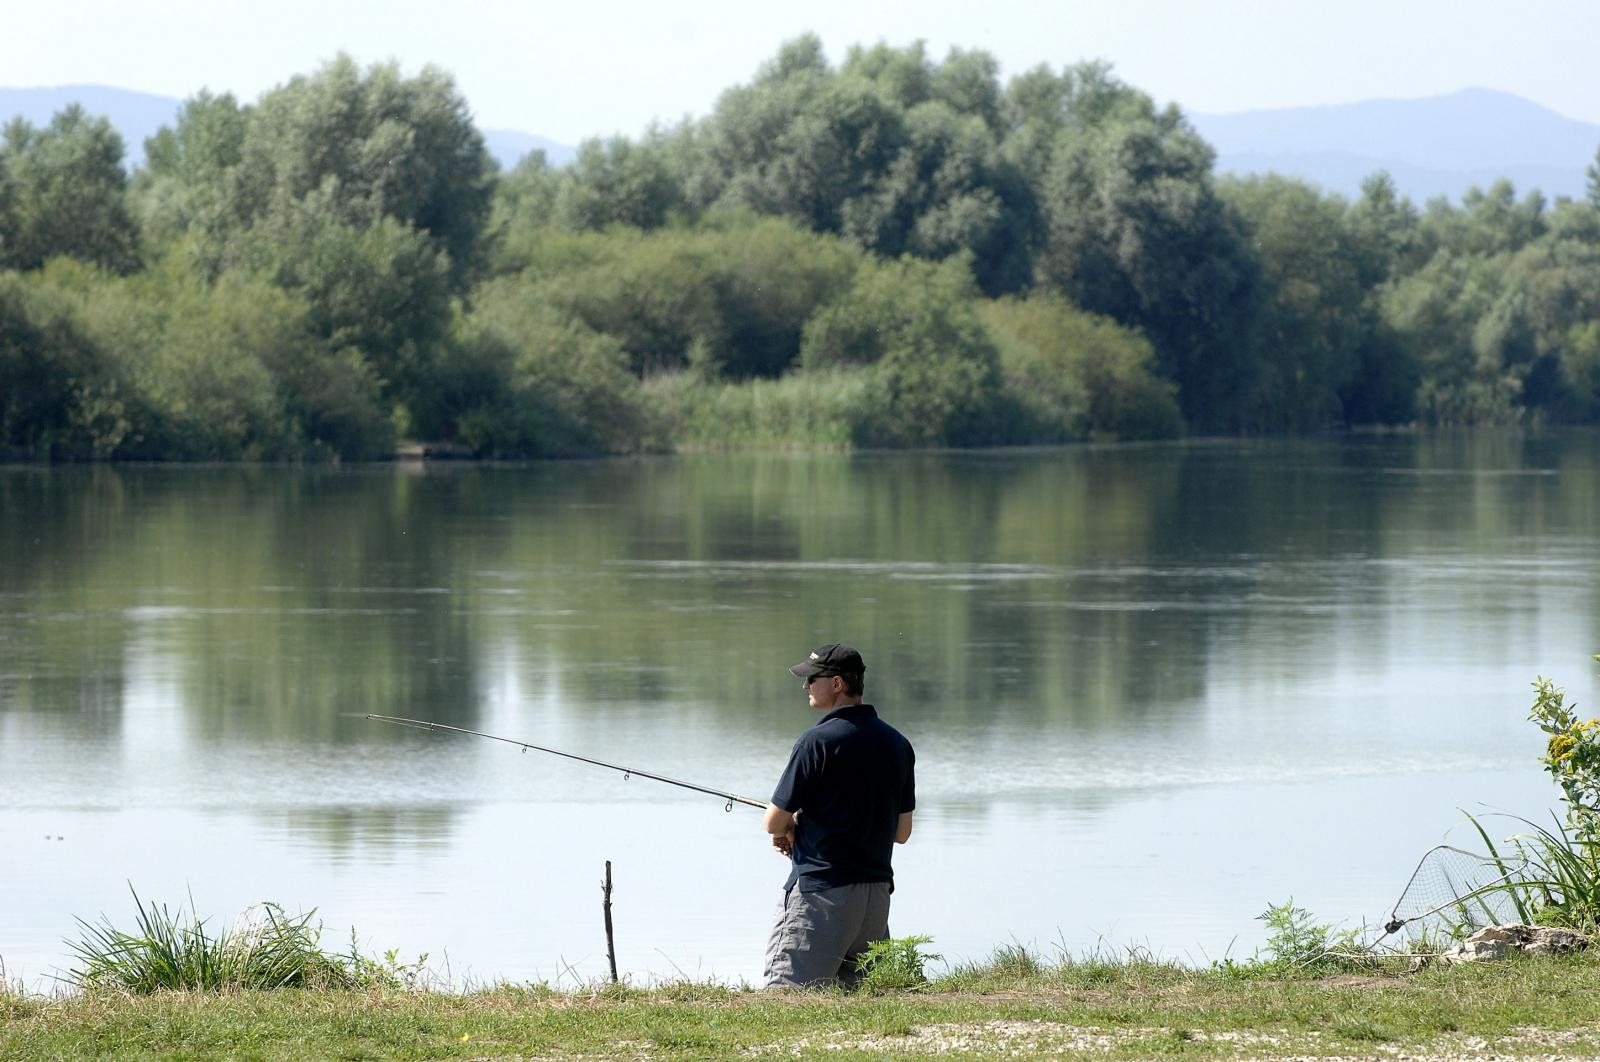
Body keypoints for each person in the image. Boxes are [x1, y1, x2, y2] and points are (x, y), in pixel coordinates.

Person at [762, 642, 916, 989]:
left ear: (836, 684)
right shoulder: (897, 743)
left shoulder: (816, 742)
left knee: (787, 997)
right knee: (859, 1003)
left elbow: (772, 821)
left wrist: (787, 828)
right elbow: (902, 832)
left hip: (822, 895)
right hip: (875, 899)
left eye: (812, 679)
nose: (806, 686)